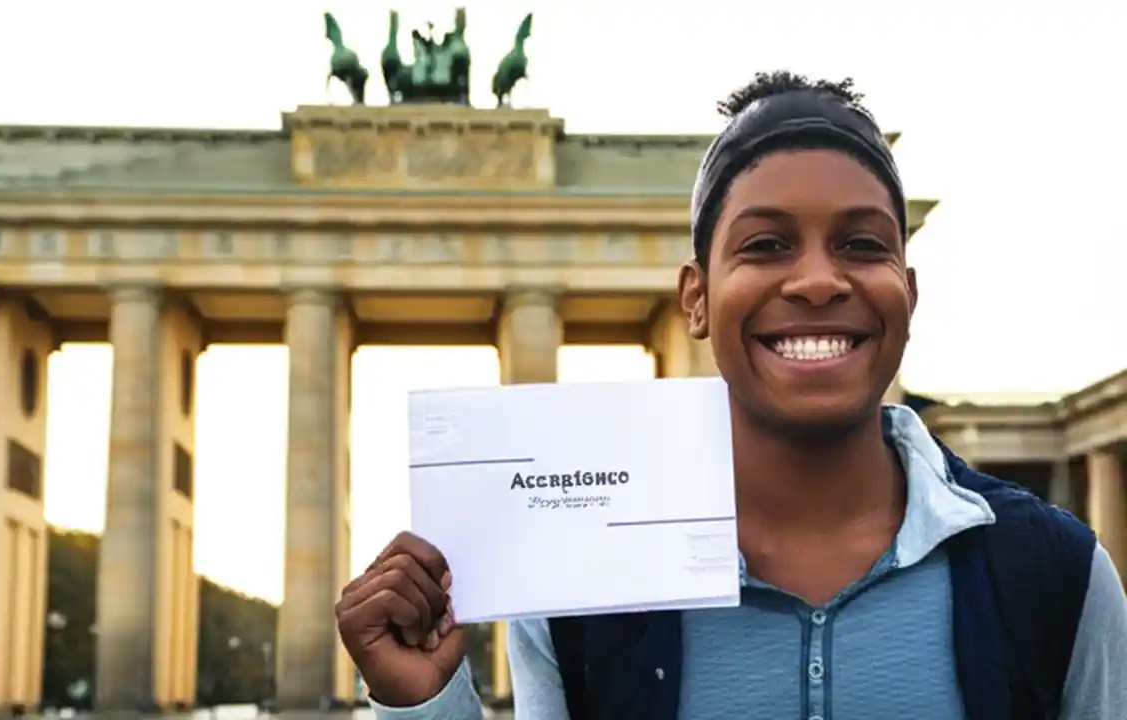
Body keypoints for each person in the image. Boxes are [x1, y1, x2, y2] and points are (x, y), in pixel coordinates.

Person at [334, 71, 1127, 719]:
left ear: (908, 294)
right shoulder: (575, 595)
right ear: (697, 298)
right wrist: (424, 702)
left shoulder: (1056, 574)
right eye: (766, 244)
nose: (818, 280)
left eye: (861, 244)